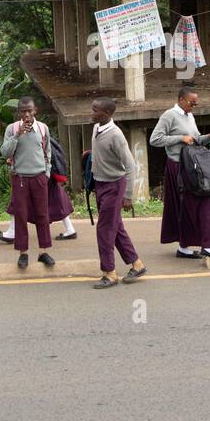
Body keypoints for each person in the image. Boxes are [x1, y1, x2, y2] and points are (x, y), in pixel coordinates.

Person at [150, 86, 210, 260]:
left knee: (190, 205)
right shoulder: (169, 115)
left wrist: (208, 137)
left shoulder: (189, 115)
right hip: (178, 167)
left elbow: (195, 139)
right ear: (181, 100)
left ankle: (184, 247)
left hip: (192, 165)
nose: (194, 106)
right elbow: (154, 139)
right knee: (195, 203)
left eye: (196, 103)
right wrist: (179, 138)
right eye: (192, 103)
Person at [87, 98, 144, 288]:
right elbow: (103, 150)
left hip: (114, 186)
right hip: (100, 184)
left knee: (104, 229)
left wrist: (128, 195)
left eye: (95, 110)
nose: (92, 112)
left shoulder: (116, 135)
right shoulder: (96, 128)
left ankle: (109, 273)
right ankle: (137, 264)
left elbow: (130, 166)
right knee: (116, 227)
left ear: (107, 114)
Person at [0, 97, 57, 270]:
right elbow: (5, 152)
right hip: (20, 178)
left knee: (42, 215)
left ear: (35, 110)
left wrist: (46, 173)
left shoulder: (42, 128)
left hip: (39, 177)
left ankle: (43, 252)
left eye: (29, 110)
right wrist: (17, 135)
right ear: (18, 113)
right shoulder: (12, 129)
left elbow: (47, 151)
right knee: (21, 216)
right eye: (23, 111)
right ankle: (23, 253)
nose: (26, 114)